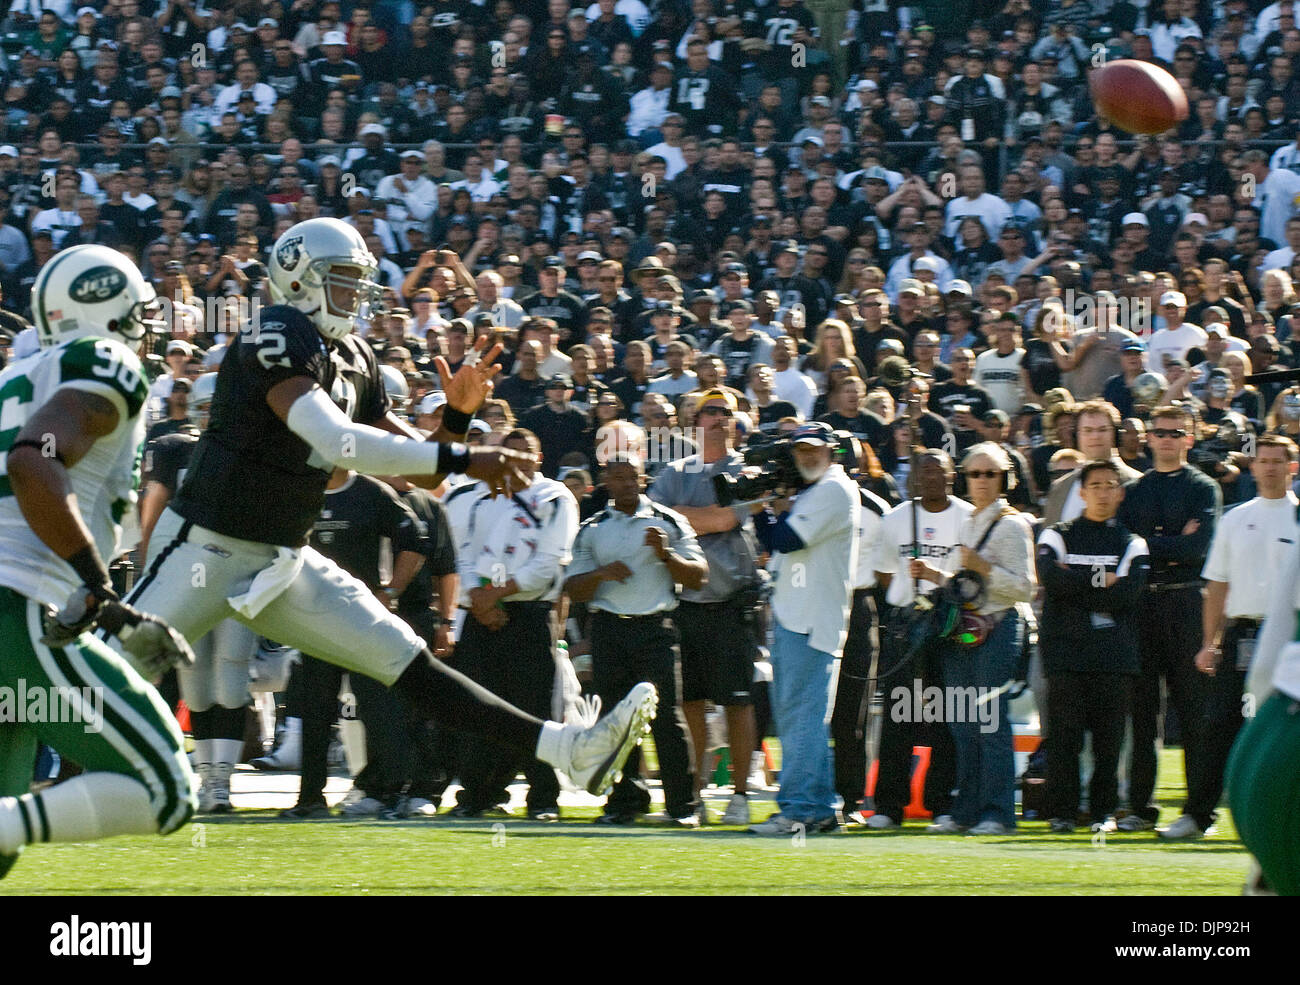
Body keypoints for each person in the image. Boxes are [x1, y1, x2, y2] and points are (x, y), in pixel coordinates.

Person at [114, 218, 660, 813]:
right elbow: (336, 441)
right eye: (342, 280)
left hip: (281, 560)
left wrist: (453, 420)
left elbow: (421, 473)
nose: (355, 296)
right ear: (298, 280)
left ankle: (569, 749)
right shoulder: (275, 329)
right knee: (99, 676)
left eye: (357, 281)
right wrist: (466, 453)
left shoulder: (352, 355)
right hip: (206, 545)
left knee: (406, 659)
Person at [0, 245, 196, 876]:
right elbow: (35, 459)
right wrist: (100, 591)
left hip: (21, 605)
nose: (145, 325)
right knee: (163, 784)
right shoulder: (103, 360)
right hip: (16, 609)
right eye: (136, 310)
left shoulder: (12, 376)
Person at [564, 453, 707, 826]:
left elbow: (698, 577)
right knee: (614, 719)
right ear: (605, 482)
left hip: (655, 628)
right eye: (619, 478)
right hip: (609, 630)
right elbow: (573, 589)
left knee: (665, 720)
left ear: (643, 480)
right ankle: (624, 803)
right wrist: (602, 574)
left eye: (633, 478)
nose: (627, 484)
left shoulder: (668, 522)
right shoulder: (592, 528)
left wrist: (666, 555)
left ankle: (682, 807)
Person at [647, 388, 764, 825]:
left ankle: (739, 795)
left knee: (737, 701)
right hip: (683, 603)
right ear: (694, 423)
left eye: (724, 412)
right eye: (708, 412)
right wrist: (703, 515)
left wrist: (684, 516)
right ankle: (693, 796)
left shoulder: (748, 470)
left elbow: (727, 519)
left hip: (731, 602)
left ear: (736, 421)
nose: (716, 418)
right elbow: (655, 519)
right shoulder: (673, 470)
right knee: (689, 703)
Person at [451, 428, 579, 819]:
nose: (519, 460)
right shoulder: (473, 497)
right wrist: (479, 599)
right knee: (476, 707)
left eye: (527, 454)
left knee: (534, 709)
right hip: (479, 614)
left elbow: (548, 564)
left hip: (528, 614)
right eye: (511, 453)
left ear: (539, 459)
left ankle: (542, 799)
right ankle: (477, 795)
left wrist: (496, 594)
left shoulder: (555, 498)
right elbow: (462, 555)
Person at [910, 442, 1036, 835]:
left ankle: (997, 812)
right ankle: (966, 809)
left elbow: (1026, 588)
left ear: (1005, 479)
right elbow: (966, 586)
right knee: (964, 723)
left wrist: (983, 567)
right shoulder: (969, 523)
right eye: (975, 473)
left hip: (998, 627)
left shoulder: (1014, 525)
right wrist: (935, 576)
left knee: (990, 723)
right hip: (964, 630)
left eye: (990, 474)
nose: (981, 481)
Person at [748, 422, 860, 835]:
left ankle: (800, 808)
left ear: (831, 451)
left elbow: (784, 540)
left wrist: (759, 508)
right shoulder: (819, 491)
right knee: (803, 717)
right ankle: (818, 806)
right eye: (800, 451)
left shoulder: (833, 488)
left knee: (802, 719)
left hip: (811, 620)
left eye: (815, 449)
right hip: (801, 615)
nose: (807, 456)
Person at [1116, 403, 1222, 834]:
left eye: (1176, 433)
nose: (1167, 439)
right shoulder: (1135, 490)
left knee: (1194, 712)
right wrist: (1172, 543)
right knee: (1143, 715)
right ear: (1149, 437)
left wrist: (1153, 545)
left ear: (1190, 439)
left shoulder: (1203, 487)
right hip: (1144, 606)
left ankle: (1198, 813)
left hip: (1187, 604)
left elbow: (1199, 550)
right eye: (1160, 432)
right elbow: (1128, 548)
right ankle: (1140, 807)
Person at [1188, 435, 1300, 841]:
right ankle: (1198, 815)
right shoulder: (1235, 519)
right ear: (1252, 467)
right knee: (1219, 725)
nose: (1269, 467)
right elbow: (1217, 584)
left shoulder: (1299, 519)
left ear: (1292, 466)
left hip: (1289, 638)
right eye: (1263, 460)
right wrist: (1209, 642)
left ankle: (1282, 818)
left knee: (1286, 730)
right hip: (1242, 633)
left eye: (1278, 461)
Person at [1036, 459, 1151, 834]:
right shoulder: (1056, 534)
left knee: (1108, 743)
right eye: (1095, 485)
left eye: (1109, 485)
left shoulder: (1133, 542)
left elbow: (1130, 594)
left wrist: (1080, 580)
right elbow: (1052, 580)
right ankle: (1064, 814)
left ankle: (1103, 813)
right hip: (1065, 655)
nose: (1103, 491)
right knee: (1064, 740)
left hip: (1114, 658)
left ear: (1120, 493)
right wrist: (1106, 581)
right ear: (1082, 493)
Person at [869, 450, 969, 831]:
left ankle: (941, 801)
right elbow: (882, 572)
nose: (930, 479)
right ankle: (888, 805)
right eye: (923, 472)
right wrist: (907, 605)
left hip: (947, 628)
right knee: (899, 716)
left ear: (951, 476)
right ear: (912, 477)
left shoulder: (966, 517)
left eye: (937, 472)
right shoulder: (895, 519)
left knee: (944, 716)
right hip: (906, 630)